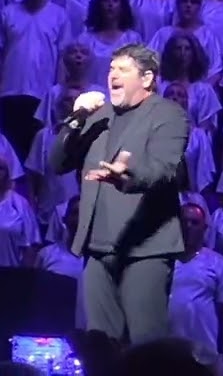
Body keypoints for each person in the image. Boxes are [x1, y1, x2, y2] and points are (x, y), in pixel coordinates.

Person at [47, 43, 190, 348]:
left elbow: (164, 169)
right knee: (100, 345)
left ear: (147, 78)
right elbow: (56, 163)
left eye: (122, 70)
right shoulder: (98, 115)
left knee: (145, 345)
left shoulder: (168, 114)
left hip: (145, 248)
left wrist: (129, 176)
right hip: (97, 249)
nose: (113, 75)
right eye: (111, 69)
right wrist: (76, 119)